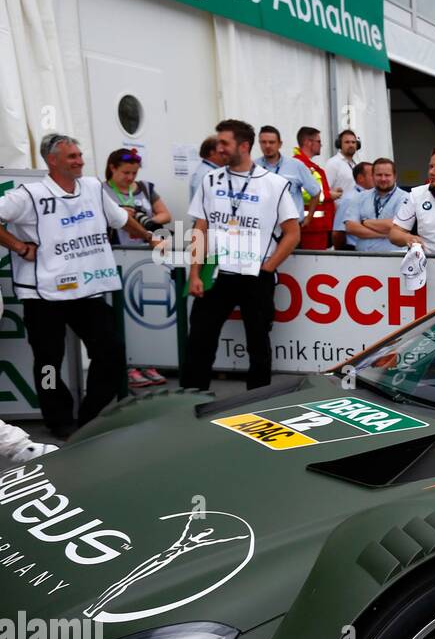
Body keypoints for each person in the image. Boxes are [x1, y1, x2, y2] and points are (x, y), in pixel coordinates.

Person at [0, 133, 155, 437]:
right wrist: (19, 246)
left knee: (111, 352)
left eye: (80, 155)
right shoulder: (30, 194)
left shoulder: (94, 188)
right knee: (48, 364)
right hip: (43, 293)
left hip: (86, 289)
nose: (80, 161)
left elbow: (120, 220)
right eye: (72, 157)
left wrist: (151, 238)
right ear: (52, 160)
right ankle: (57, 420)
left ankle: (90, 416)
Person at [181, 119, 300, 392]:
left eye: (225, 142)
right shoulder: (210, 180)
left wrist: (268, 268)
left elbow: (292, 233)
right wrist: (195, 273)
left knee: (258, 344)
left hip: (255, 274)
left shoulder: (275, 184)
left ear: (243, 146)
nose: (218, 147)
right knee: (199, 340)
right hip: (216, 271)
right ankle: (190, 398)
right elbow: (201, 228)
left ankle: (258, 402)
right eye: (218, 142)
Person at [102, 148, 172, 388]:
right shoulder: (102, 191)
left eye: (134, 172)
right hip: (117, 256)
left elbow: (165, 214)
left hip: (145, 255)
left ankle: (148, 361)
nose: (130, 178)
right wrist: (120, 215)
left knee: (147, 311)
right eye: (126, 173)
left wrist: (146, 220)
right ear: (112, 168)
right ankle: (129, 365)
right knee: (122, 313)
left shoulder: (145, 188)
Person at [255, 126, 319, 227]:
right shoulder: (253, 167)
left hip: (290, 227)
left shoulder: (296, 165)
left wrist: (309, 217)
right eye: (263, 142)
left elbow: (315, 192)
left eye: (271, 142)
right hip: (263, 226)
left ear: (280, 144)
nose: (267, 146)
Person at [347, 158, 409, 252]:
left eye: (387, 175)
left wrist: (364, 222)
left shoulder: (406, 198)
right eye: (379, 175)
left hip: (394, 259)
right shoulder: (359, 197)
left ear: (395, 176)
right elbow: (351, 227)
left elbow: (397, 225)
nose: (383, 179)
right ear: (372, 176)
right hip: (363, 259)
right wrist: (386, 234)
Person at [293, 126, 336, 251]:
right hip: (310, 227)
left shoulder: (307, 165)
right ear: (308, 142)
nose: (321, 145)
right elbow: (305, 192)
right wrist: (329, 195)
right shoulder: (301, 165)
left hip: (317, 227)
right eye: (318, 141)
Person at [333, 161, 373, 250]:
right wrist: (342, 255)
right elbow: (338, 233)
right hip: (353, 250)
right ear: (360, 178)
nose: (377, 178)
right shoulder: (349, 199)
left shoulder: (372, 197)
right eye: (372, 175)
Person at [324, 129, 361, 198]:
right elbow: (325, 190)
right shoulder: (333, 163)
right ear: (339, 144)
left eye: (353, 142)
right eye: (347, 142)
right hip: (340, 208)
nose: (351, 145)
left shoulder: (357, 164)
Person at [189, 135, 222, 201]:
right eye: (221, 151)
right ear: (212, 152)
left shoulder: (207, 170)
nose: (224, 154)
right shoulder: (205, 174)